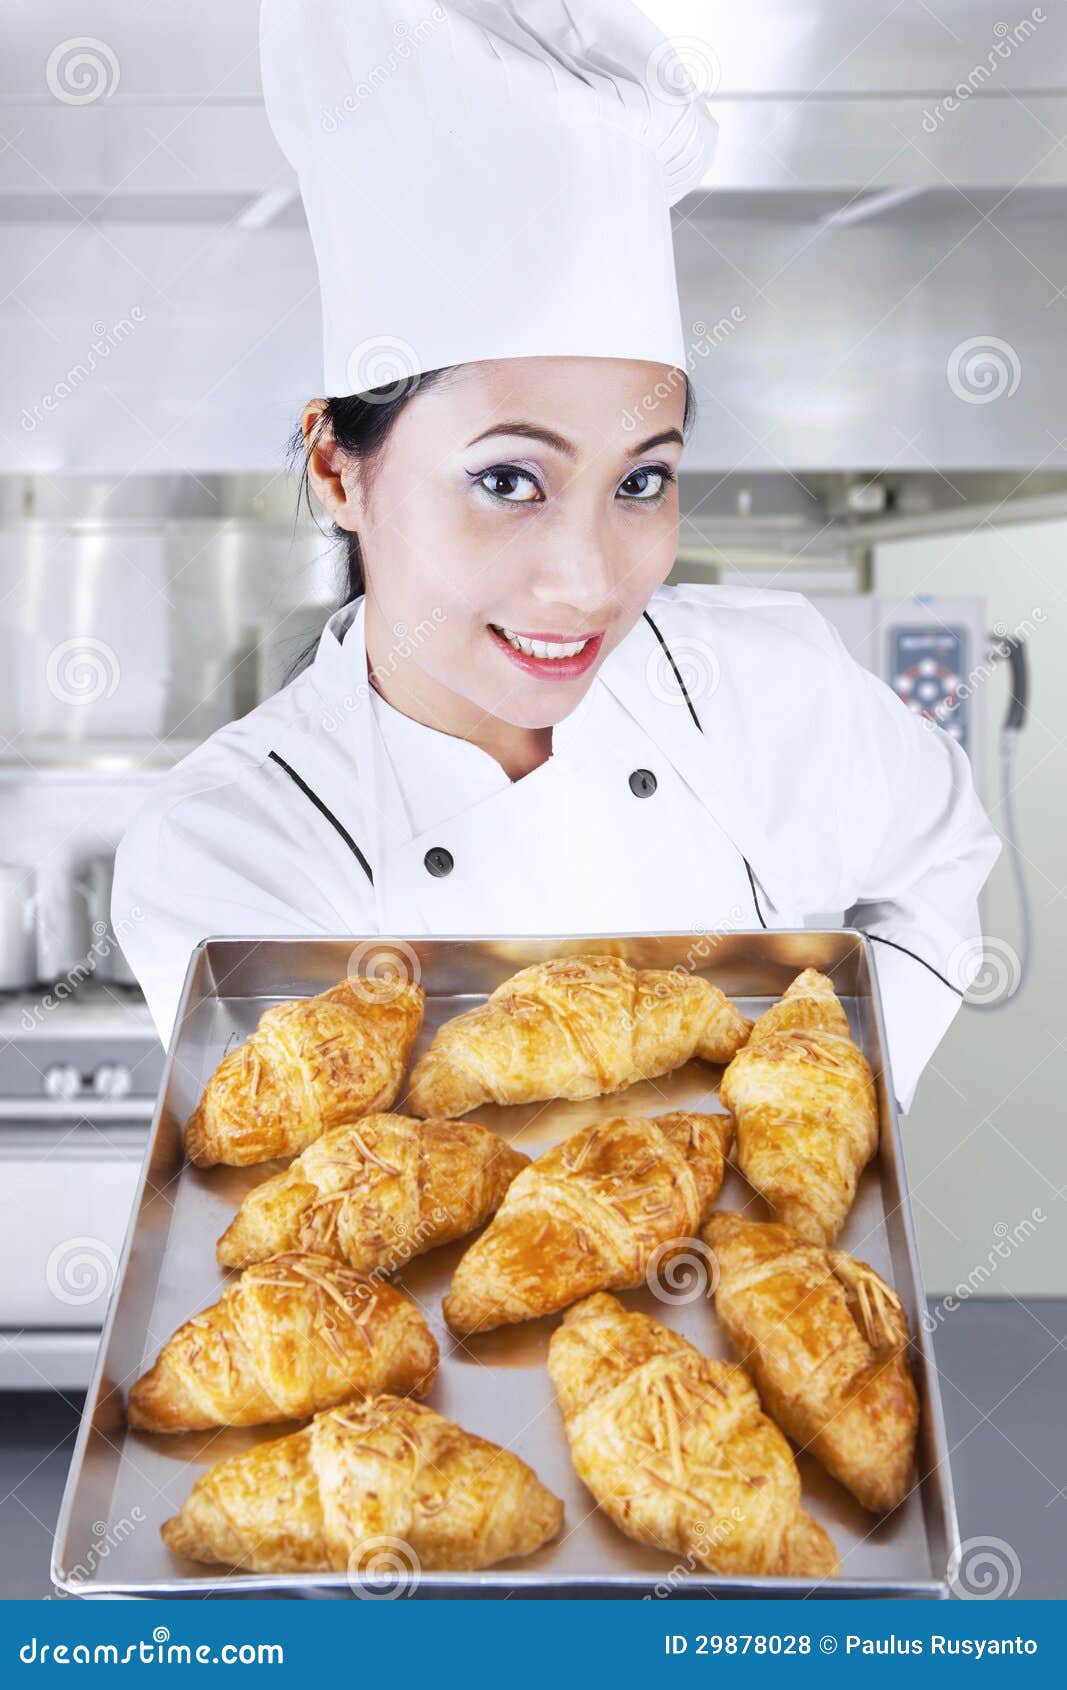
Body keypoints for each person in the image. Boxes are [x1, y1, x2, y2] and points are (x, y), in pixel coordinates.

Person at [113, 0, 1000, 1112]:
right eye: (505, 480)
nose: (587, 581)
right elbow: (333, 1200)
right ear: (339, 470)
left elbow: (935, 857)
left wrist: (828, 1103)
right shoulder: (236, 842)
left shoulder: (774, 681)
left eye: (640, 481)